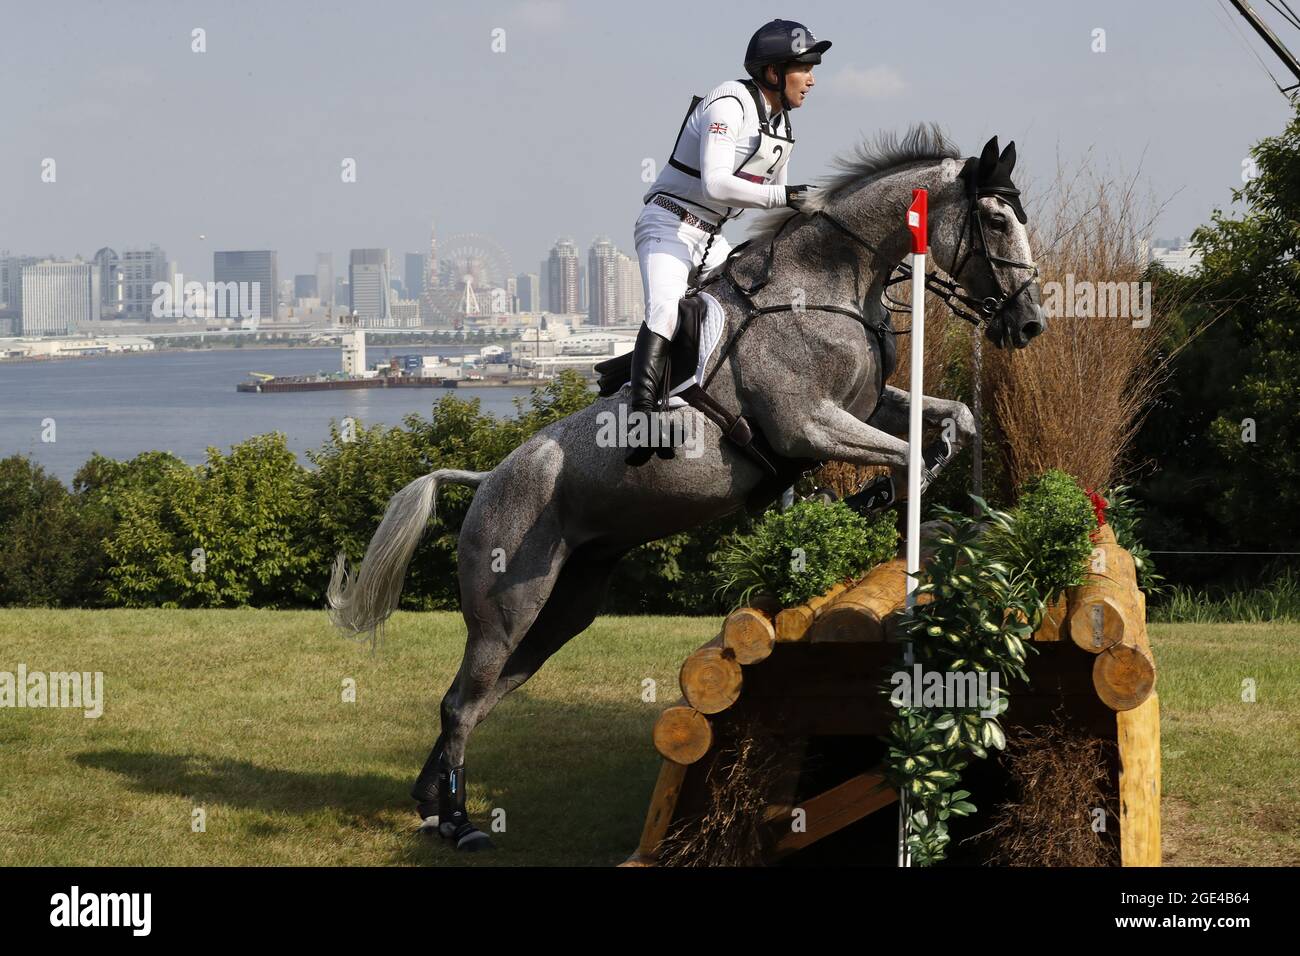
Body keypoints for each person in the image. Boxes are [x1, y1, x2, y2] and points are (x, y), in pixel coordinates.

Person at [625, 18, 830, 464]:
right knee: (665, 306)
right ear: (774, 72)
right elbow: (718, 185)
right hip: (669, 224)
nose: (812, 79)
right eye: (805, 67)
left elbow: (777, 205)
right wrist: (787, 197)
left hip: (711, 238)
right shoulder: (729, 102)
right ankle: (639, 421)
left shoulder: (781, 127)